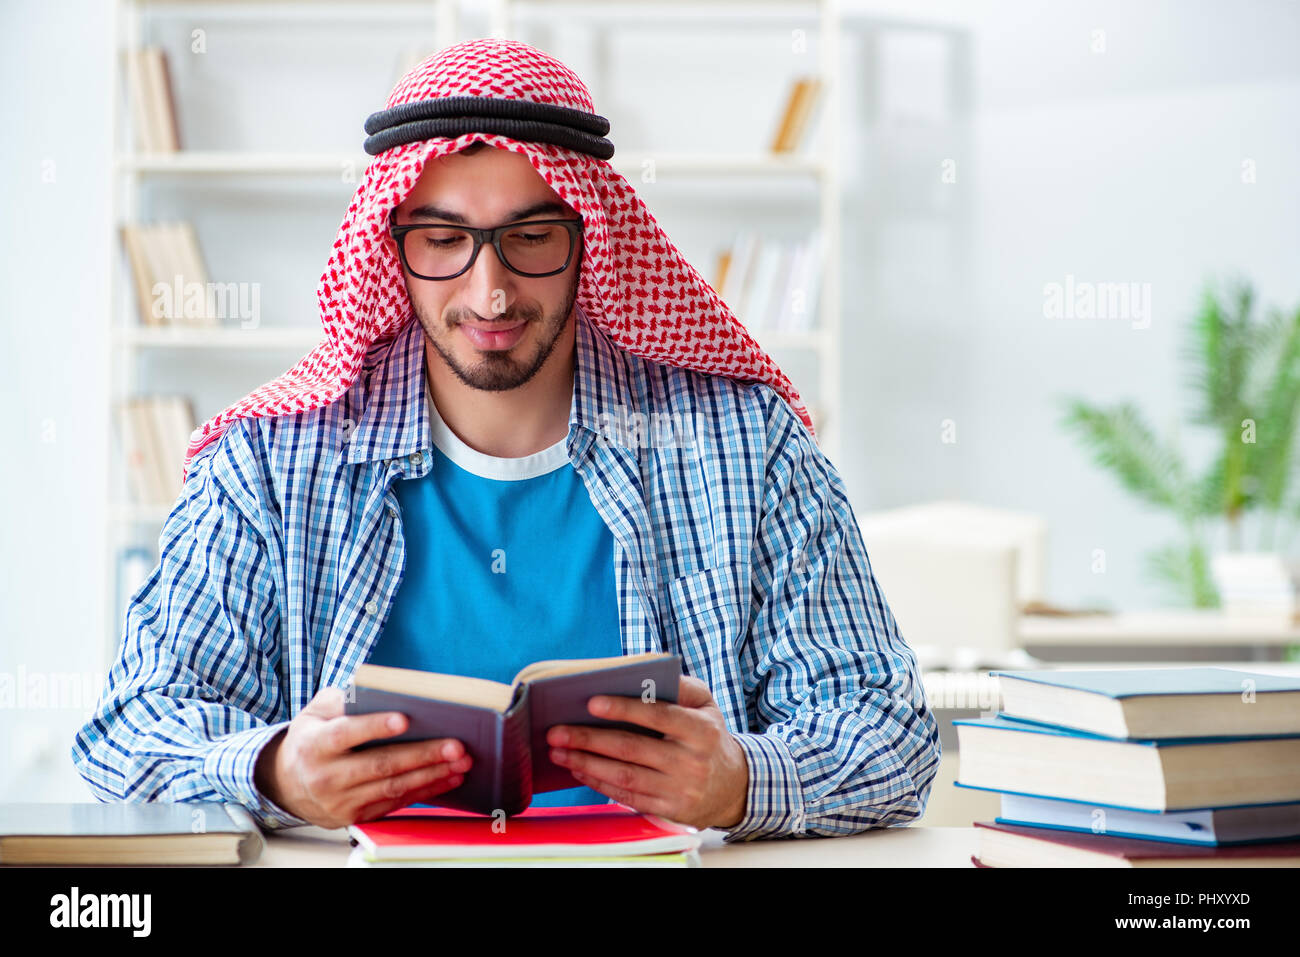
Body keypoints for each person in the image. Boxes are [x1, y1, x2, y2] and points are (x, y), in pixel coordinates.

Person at [73, 38, 940, 842]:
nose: (489, 293)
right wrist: (272, 771)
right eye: (444, 241)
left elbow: (892, 733)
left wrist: (745, 779)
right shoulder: (265, 464)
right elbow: (125, 737)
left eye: (530, 239)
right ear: (392, 245)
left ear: (590, 240)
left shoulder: (751, 447)